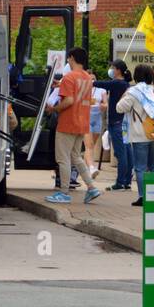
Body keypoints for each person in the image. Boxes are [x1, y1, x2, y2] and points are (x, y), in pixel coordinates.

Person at [116, 64, 154, 208]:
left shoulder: (133, 92)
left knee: (141, 167)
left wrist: (124, 96)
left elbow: (119, 108)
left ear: (136, 76)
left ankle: (143, 197)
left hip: (139, 135)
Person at [46, 47, 99, 204]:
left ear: (72, 58)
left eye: (69, 58)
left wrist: (54, 109)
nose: (68, 61)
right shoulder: (87, 78)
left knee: (63, 159)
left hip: (68, 122)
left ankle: (63, 192)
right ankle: (91, 187)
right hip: (82, 122)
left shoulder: (69, 77)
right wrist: (60, 85)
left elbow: (68, 100)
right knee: (76, 157)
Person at [93, 59, 132, 192]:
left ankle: (120, 183)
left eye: (112, 67)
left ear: (118, 70)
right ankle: (126, 182)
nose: (111, 70)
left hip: (116, 124)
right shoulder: (125, 84)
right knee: (127, 152)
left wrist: (88, 81)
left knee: (121, 154)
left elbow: (100, 83)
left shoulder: (117, 83)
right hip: (124, 124)